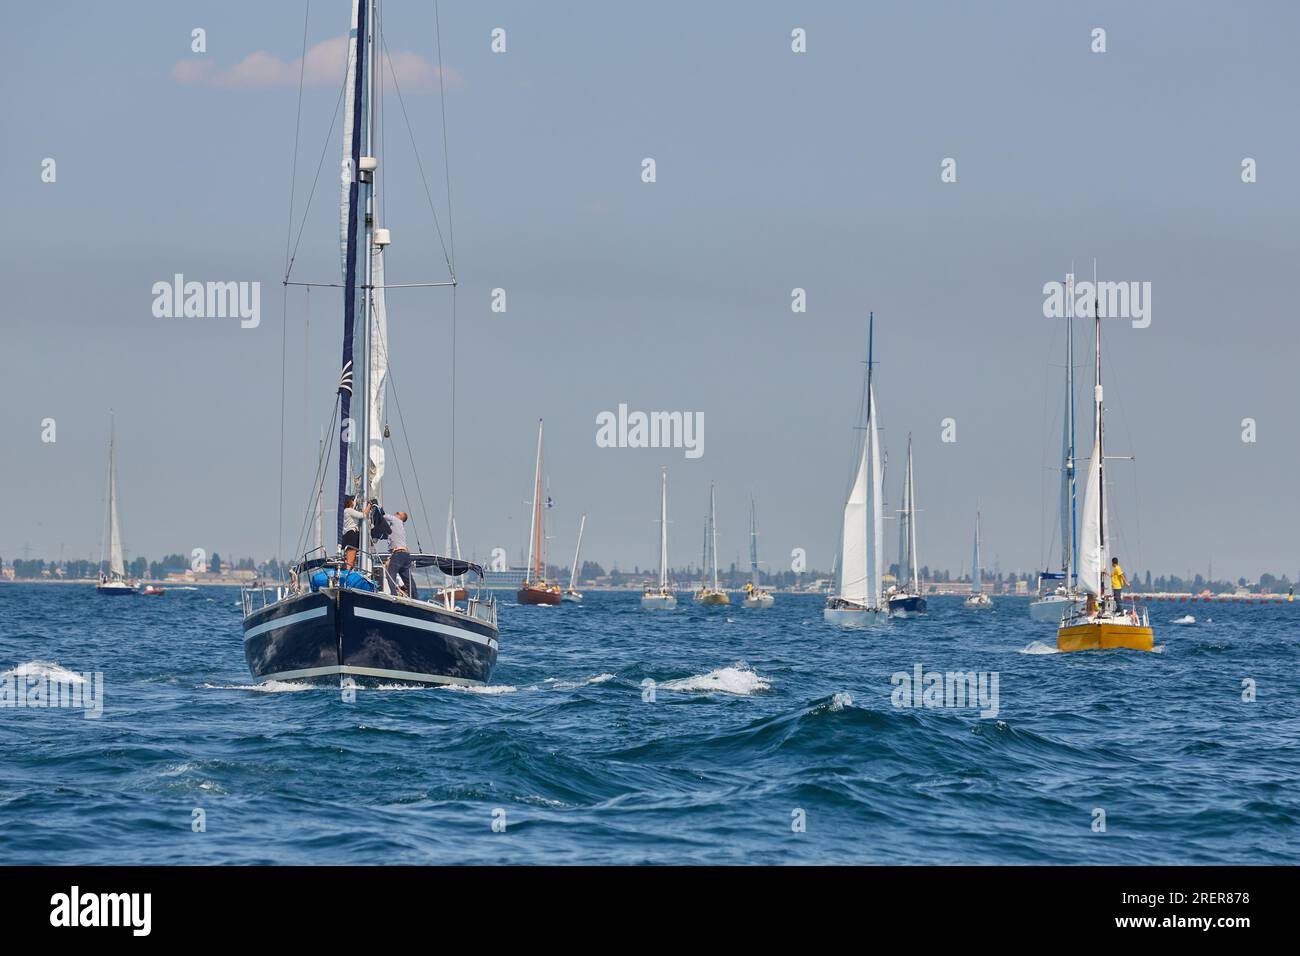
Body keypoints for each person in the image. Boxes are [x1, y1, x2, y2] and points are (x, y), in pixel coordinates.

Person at [383, 510, 416, 598]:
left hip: (398, 554)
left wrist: (375, 508)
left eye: (397, 513)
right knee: (408, 579)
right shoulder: (399, 526)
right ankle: (415, 597)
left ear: (400, 517)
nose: (395, 513)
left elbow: (384, 516)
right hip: (405, 555)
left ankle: (393, 595)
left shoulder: (396, 520)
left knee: (390, 575)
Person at [341, 495, 367, 569]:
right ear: (349, 502)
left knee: (351, 558)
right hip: (351, 535)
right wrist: (369, 505)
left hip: (348, 535)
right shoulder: (348, 510)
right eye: (352, 500)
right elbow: (363, 515)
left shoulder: (345, 511)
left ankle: (349, 570)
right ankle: (348, 572)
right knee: (351, 559)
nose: (353, 501)